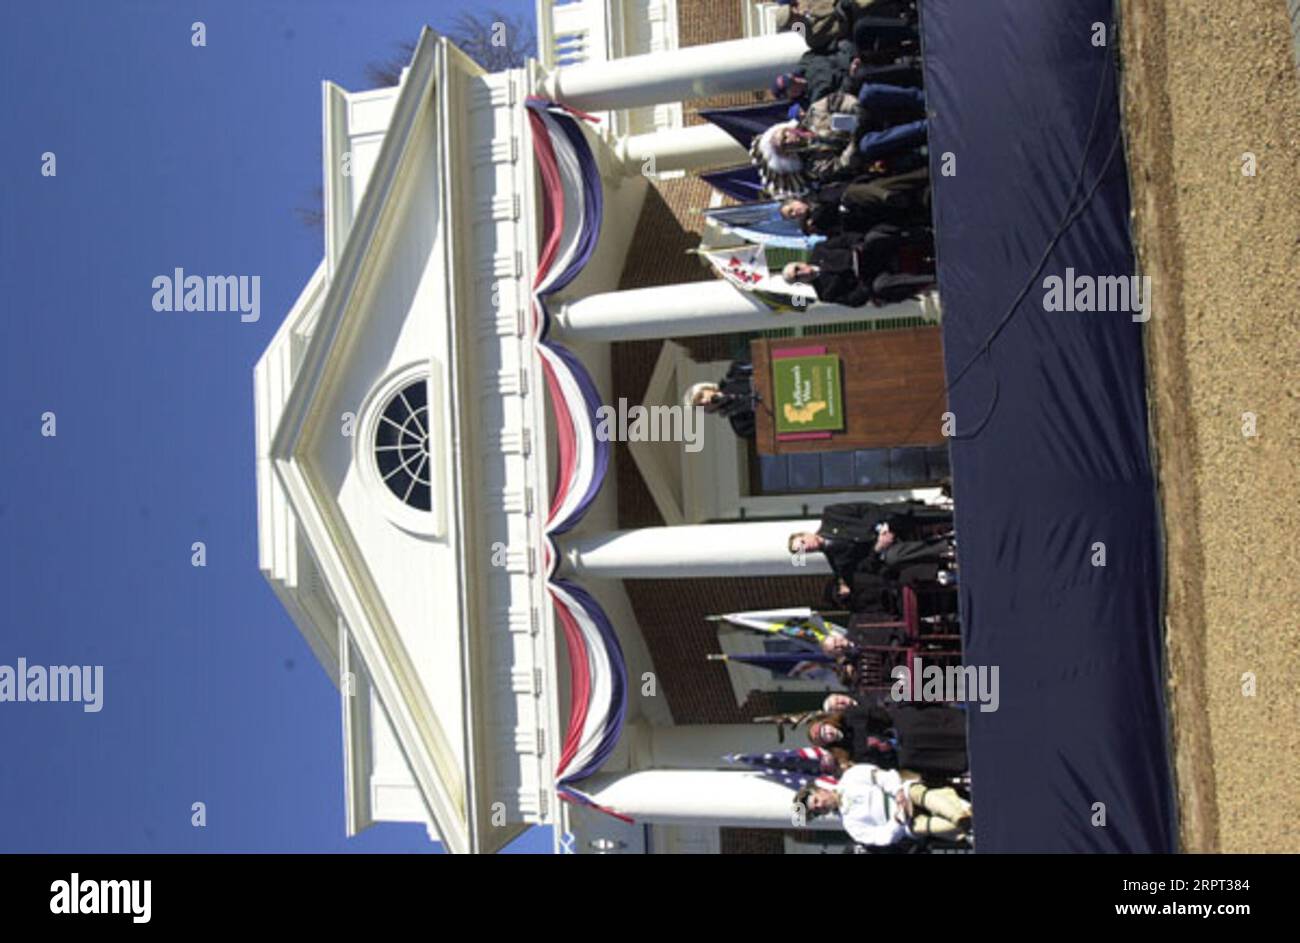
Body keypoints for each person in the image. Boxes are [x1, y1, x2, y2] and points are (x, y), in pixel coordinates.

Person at [788, 499, 952, 601]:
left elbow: (866, 508)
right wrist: (878, 547)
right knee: (892, 558)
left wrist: (879, 528)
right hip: (886, 547)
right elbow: (867, 567)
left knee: (896, 512)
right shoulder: (839, 564)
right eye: (803, 551)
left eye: (802, 542)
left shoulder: (832, 514)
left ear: (805, 533)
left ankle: (950, 515)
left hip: (883, 522)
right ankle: (947, 546)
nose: (806, 547)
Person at [795, 763, 972, 847]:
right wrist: (897, 820)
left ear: (819, 790)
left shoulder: (850, 777)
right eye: (817, 811)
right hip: (903, 822)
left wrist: (898, 793)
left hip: (901, 792)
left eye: (816, 801)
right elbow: (881, 838)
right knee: (919, 827)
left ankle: (960, 818)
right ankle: (966, 822)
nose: (820, 806)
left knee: (916, 793)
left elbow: (882, 777)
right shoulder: (851, 826)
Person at [808, 699, 970, 779]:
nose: (828, 734)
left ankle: (963, 730)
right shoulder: (849, 753)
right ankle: (964, 759)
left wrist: (871, 731)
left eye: (825, 729)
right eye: (824, 738)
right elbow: (878, 765)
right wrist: (882, 751)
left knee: (911, 730)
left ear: (828, 723)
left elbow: (879, 714)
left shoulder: (849, 716)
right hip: (897, 752)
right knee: (908, 758)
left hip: (895, 725)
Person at [782, 224, 934, 307]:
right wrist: (863, 285)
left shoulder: (820, 251)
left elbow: (846, 239)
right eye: (797, 277)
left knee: (873, 237)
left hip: (868, 254)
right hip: (870, 278)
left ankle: (924, 236)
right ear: (799, 283)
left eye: (797, 269)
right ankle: (932, 278)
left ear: (800, 263)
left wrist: (858, 245)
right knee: (881, 287)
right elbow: (854, 300)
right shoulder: (825, 293)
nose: (800, 273)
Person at [780, 166, 930, 235]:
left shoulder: (819, 191)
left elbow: (844, 176)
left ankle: (889, 196)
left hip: (863, 190)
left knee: (856, 193)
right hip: (865, 215)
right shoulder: (817, 223)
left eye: (792, 210)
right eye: (792, 216)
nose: (796, 213)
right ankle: (890, 197)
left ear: (795, 201)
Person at [683, 359, 757, 438]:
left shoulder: (736, 371)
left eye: (701, 396)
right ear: (708, 411)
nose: (704, 401)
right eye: (701, 405)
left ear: (707, 388)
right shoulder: (741, 426)